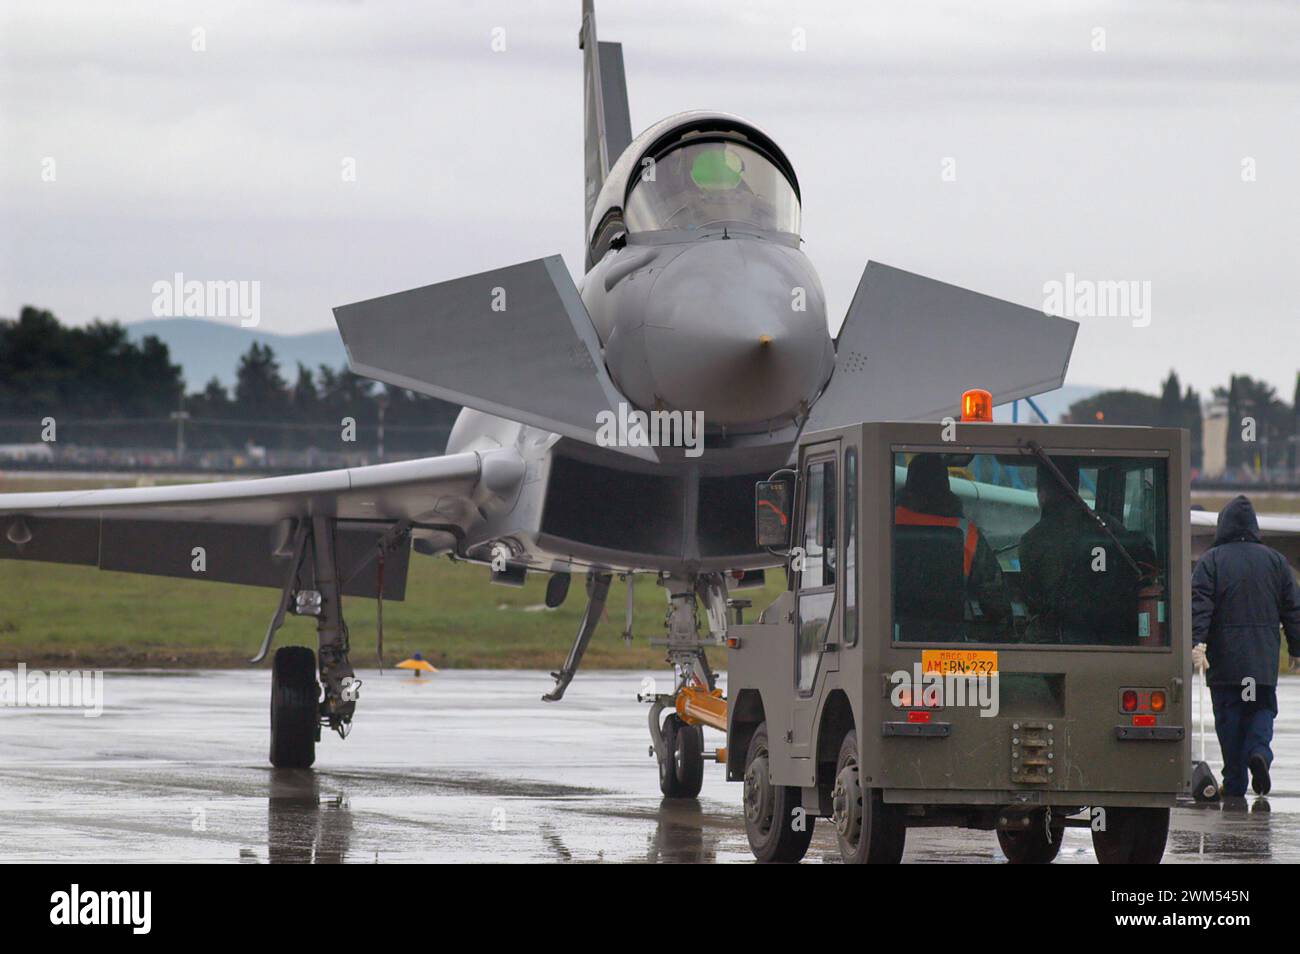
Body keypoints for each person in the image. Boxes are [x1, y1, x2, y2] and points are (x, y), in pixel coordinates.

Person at [1192, 495, 1300, 799]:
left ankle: (1235, 782)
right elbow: (1293, 608)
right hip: (1261, 663)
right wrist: (1296, 647)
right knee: (1261, 711)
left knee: (1230, 720)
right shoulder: (1277, 562)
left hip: (1226, 663)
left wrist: (1197, 642)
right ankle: (1260, 753)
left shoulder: (1211, 561)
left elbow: (1201, 606)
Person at [1019, 457, 1135, 643]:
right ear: (1076, 484)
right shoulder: (1111, 527)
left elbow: (1034, 600)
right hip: (1115, 639)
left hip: (1059, 643)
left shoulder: (1033, 540)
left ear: (1042, 493)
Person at [894, 453, 1010, 630]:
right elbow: (995, 600)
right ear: (946, 487)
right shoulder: (966, 532)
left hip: (891, 637)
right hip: (950, 642)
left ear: (908, 487)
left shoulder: (885, 525)